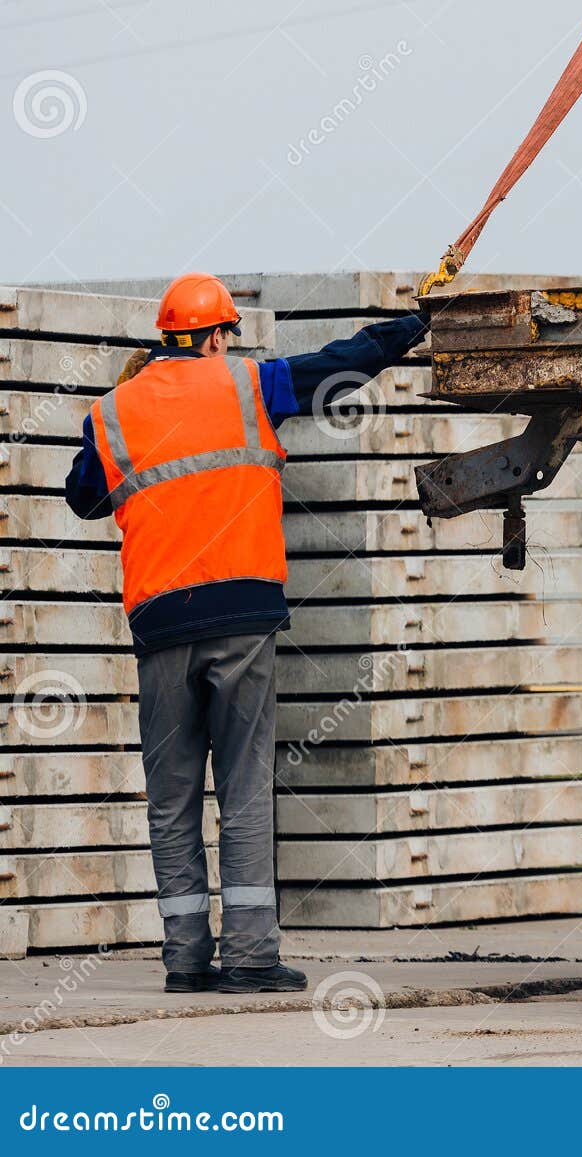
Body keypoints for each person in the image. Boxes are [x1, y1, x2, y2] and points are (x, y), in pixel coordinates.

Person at [65, 272, 427, 994]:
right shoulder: (249, 386)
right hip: (244, 617)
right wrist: (409, 328)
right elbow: (339, 364)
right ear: (217, 335)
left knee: (170, 797)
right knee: (244, 786)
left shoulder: (112, 412)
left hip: (162, 625)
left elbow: (82, 497)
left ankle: (186, 960)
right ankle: (252, 957)